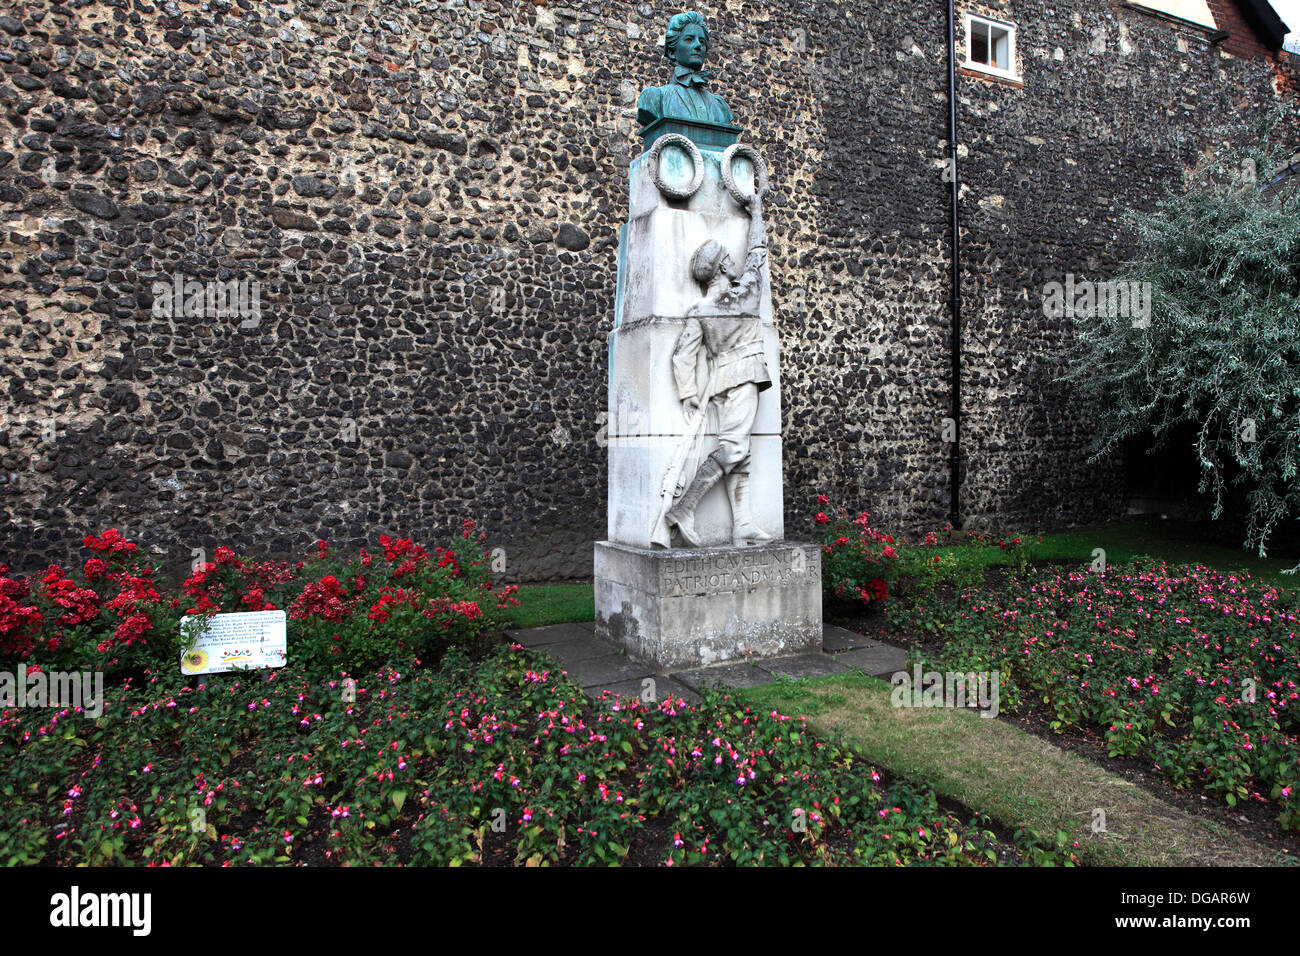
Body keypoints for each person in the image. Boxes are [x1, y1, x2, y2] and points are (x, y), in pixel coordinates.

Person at [663, 190, 772, 547]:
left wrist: (690, 393)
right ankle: (684, 507)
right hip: (745, 378)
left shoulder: (699, 311)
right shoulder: (746, 294)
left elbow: (682, 356)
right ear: (725, 267)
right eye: (729, 259)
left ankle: (742, 523)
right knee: (735, 449)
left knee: (740, 450)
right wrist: (756, 211)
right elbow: (758, 252)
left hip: (719, 384)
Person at [637, 11, 735, 128]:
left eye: (702, 41)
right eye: (689, 39)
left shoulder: (720, 107)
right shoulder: (654, 98)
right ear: (672, 52)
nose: (698, 45)